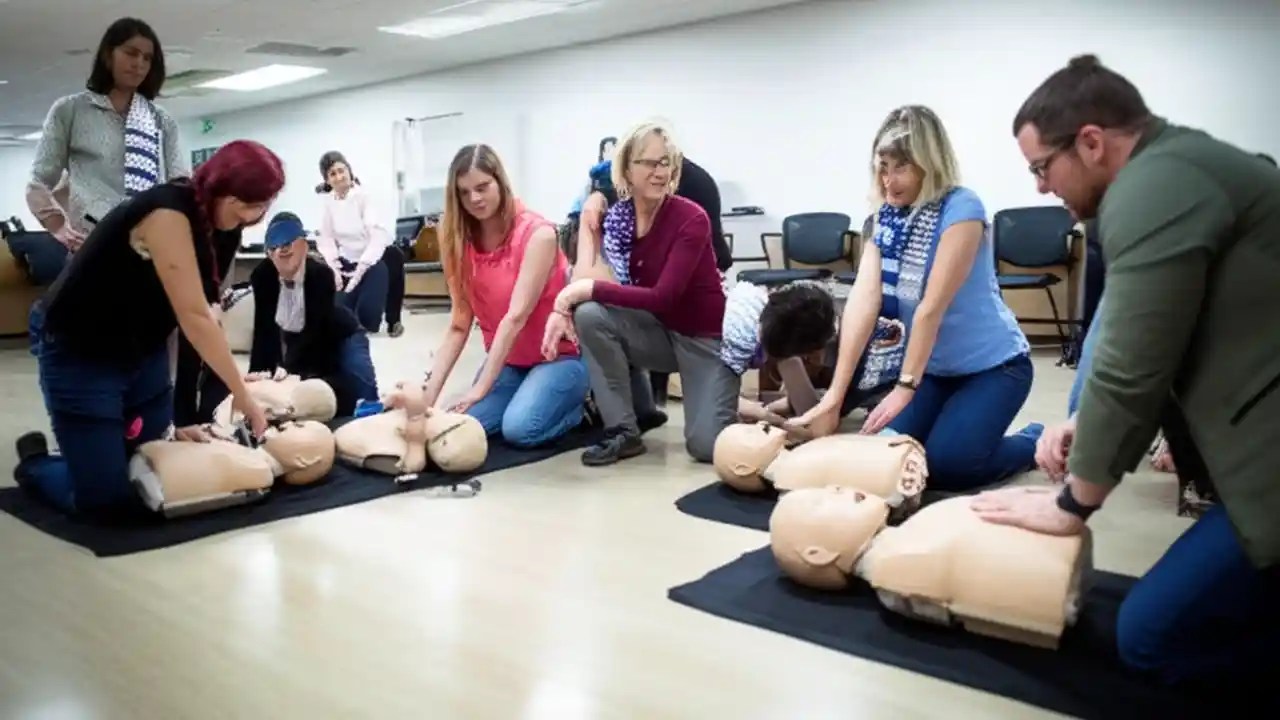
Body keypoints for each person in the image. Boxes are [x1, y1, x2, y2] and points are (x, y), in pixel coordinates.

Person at [974, 53, 1280, 691]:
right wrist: (1088, 421)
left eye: (1040, 168)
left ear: (1090, 142)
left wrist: (1072, 504)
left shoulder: (1153, 189)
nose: (1038, 188)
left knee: (1148, 641)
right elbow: (1165, 343)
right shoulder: (1180, 167)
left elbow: (1132, 361)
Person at [13, 141, 282, 520]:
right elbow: (194, 318)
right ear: (223, 189)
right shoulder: (167, 212)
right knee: (106, 503)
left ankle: (92, 453)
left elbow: (205, 317)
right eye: (249, 204)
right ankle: (36, 465)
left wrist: (186, 416)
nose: (254, 215)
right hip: (81, 346)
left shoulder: (224, 226)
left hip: (143, 346)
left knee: (149, 470)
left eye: (261, 206)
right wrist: (244, 396)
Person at [789, 105, 1042, 491]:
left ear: (930, 161)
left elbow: (929, 309)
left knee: (949, 465)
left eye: (901, 167)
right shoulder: (882, 219)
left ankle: (1033, 442)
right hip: (933, 373)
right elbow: (865, 300)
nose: (889, 181)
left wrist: (904, 389)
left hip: (994, 369)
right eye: (883, 167)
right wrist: (835, 399)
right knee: (884, 454)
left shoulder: (962, 208)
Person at [542, 121, 740, 466]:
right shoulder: (619, 219)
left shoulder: (691, 218)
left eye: (665, 163)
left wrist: (579, 291)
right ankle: (623, 431)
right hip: (659, 334)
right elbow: (594, 281)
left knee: (706, 447)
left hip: (704, 340)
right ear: (626, 171)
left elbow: (663, 296)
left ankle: (750, 412)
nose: (659, 172)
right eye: (648, 163)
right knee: (590, 314)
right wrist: (568, 304)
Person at [422, 144, 590, 448]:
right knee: (459, 425)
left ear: (500, 181)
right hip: (510, 362)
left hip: (558, 357)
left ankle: (583, 408)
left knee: (519, 429)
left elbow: (516, 317)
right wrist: (425, 404)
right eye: (464, 192)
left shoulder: (538, 234)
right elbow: (460, 324)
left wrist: (480, 388)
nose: (474, 199)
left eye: (482, 187)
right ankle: (523, 394)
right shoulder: (456, 239)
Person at [192, 212, 379, 420]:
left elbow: (318, 331)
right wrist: (261, 371)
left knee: (361, 390)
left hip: (343, 333)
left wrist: (295, 372)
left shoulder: (320, 275)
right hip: (301, 334)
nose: (281, 251)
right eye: (274, 245)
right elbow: (264, 327)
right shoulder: (263, 275)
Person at [26, 17, 186, 256]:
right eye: (131, 53)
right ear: (108, 54)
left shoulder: (161, 120)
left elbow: (180, 185)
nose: (139, 64)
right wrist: (59, 227)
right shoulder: (70, 110)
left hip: (148, 246)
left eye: (147, 58)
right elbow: (39, 182)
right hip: (91, 246)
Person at [316, 151, 394, 334]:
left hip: (370, 264)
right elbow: (326, 237)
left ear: (350, 171)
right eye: (332, 174)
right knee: (338, 318)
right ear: (327, 181)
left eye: (341, 170)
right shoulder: (328, 203)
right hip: (345, 264)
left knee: (367, 319)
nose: (339, 177)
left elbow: (376, 235)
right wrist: (334, 268)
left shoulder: (364, 197)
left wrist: (360, 271)